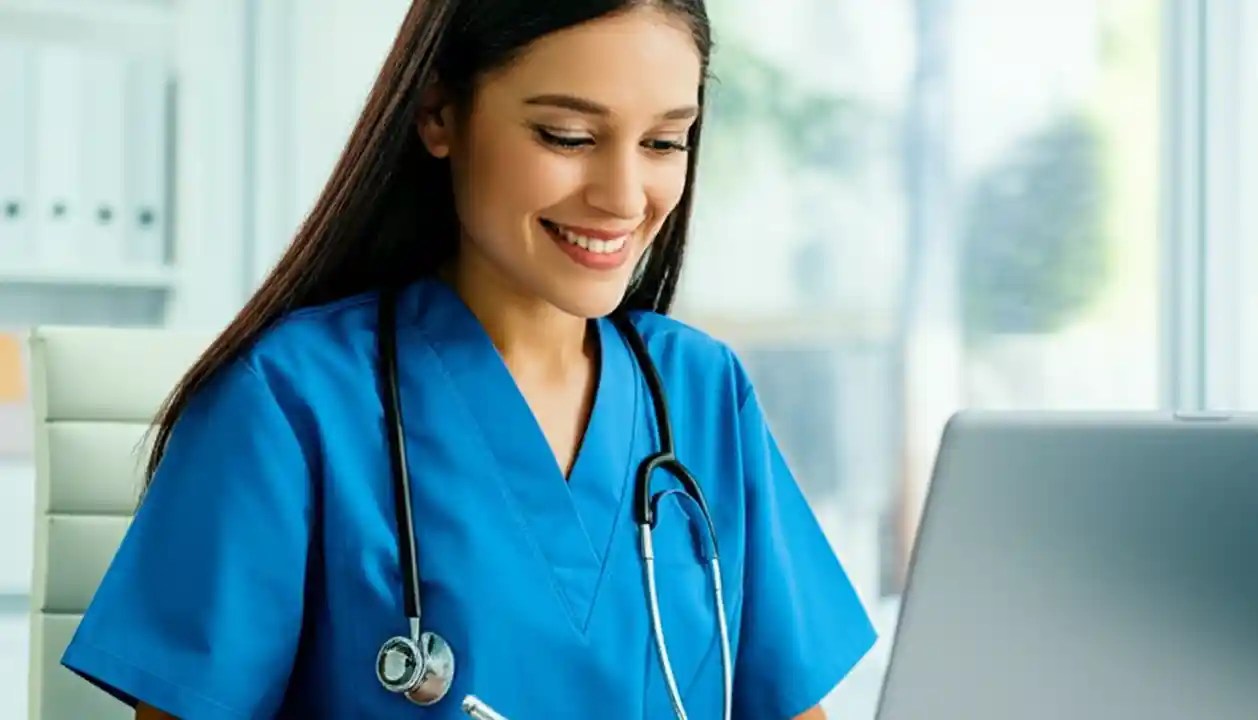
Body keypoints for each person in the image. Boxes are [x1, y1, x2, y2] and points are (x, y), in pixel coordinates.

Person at [60, 1, 878, 718]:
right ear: (438, 115)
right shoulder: (288, 403)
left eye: (665, 141)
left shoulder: (702, 394)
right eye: (569, 135)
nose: (624, 197)